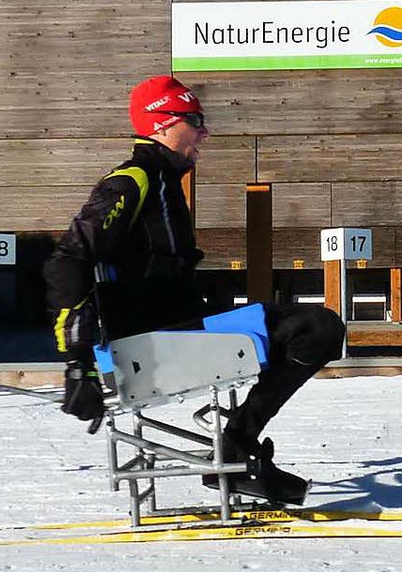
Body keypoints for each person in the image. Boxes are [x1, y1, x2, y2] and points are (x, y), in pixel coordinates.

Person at [43, 75, 345, 504]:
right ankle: (238, 443)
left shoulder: (162, 182)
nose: (205, 130)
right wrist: (78, 363)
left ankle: (239, 444)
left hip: (176, 326)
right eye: (195, 120)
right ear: (162, 124)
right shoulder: (132, 182)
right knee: (318, 327)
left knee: (310, 325)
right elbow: (68, 260)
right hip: (156, 343)